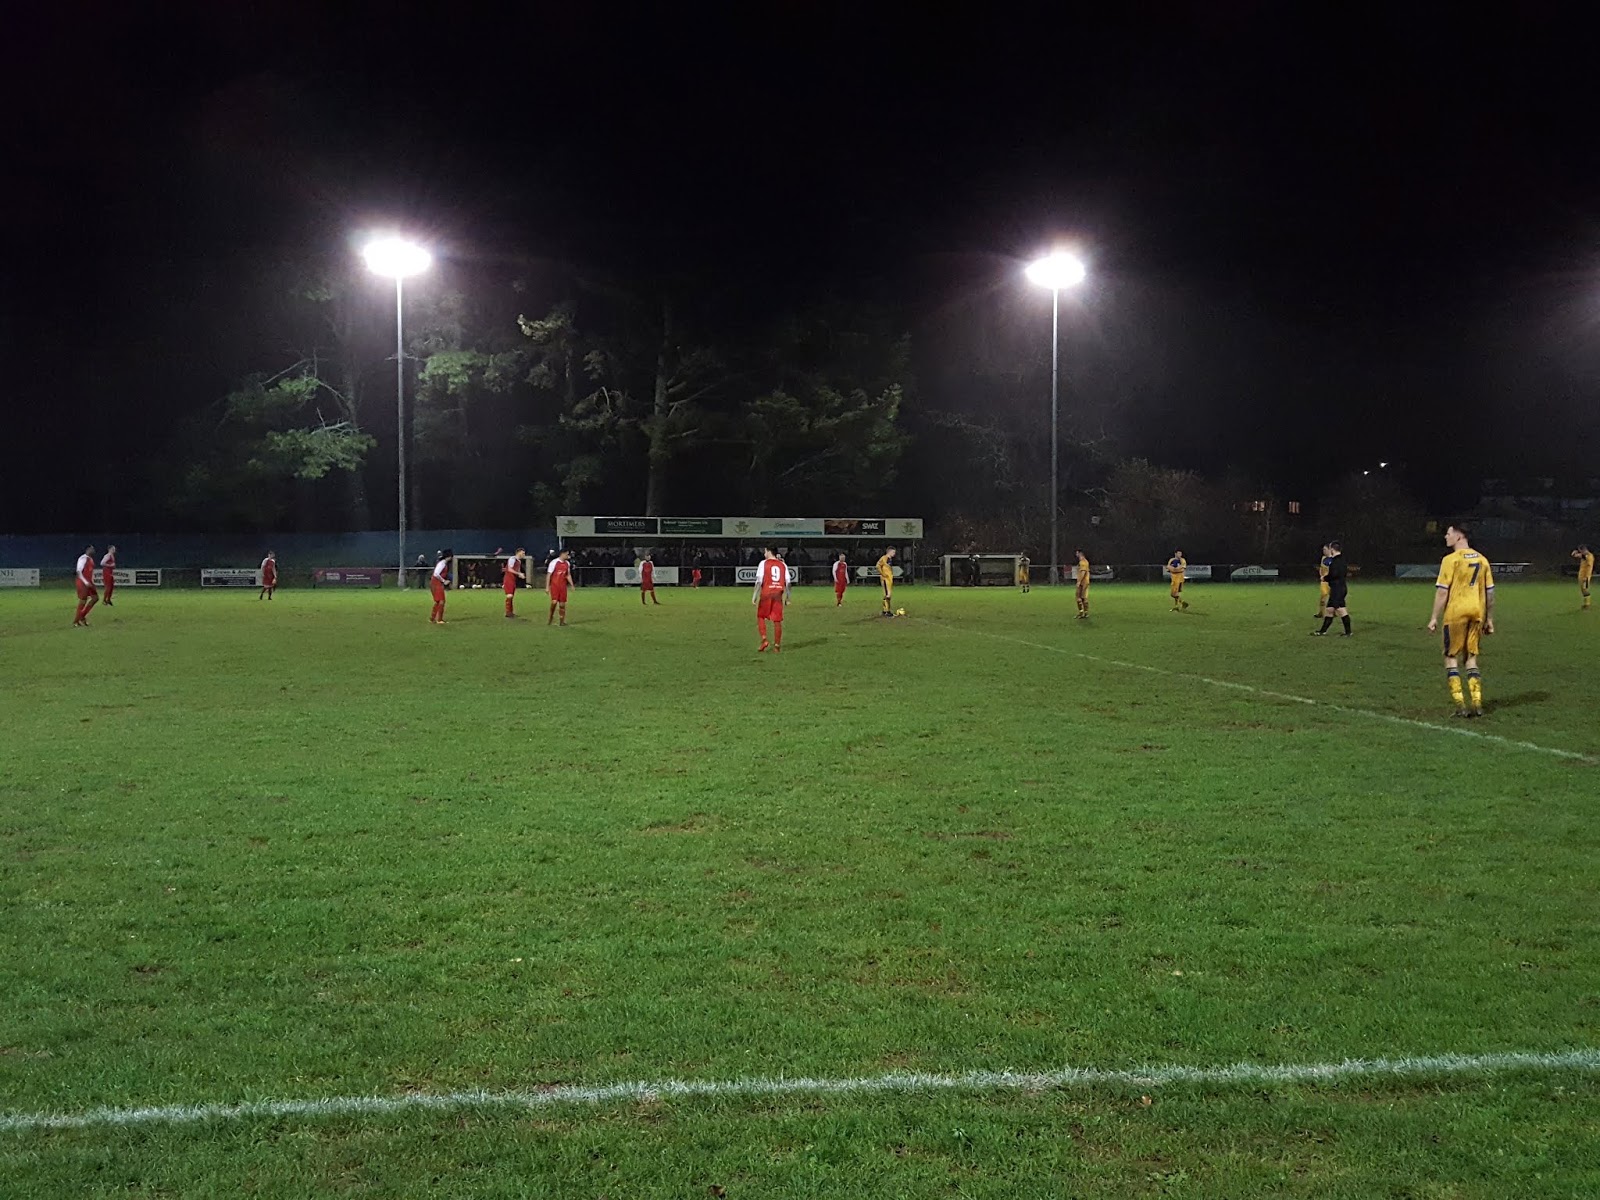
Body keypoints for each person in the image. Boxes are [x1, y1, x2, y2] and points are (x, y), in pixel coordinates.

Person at [1427, 524, 1495, 718]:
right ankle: (1477, 703)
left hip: (1456, 613)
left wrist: (1433, 617)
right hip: (1476, 613)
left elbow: (1442, 591)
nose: (1445, 537)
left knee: (1451, 657)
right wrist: (1489, 618)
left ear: (1459, 536)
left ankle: (1460, 706)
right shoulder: (1482, 560)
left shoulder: (1450, 560)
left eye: (1448, 534)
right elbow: (1490, 593)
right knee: (1471, 658)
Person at [752, 546, 791, 652]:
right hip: (778, 594)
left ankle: (764, 639)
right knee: (777, 620)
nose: (764, 553)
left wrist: (755, 595)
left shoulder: (763, 563)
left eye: (765, 551)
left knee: (760, 616)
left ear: (769, 551)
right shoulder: (783, 565)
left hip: (766, 593)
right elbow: (788, 583)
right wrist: (788, 597)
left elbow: (759, 581)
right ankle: (777, 646)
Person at [1311, 541, 1351, 636]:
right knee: (1329, 610)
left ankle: (1348, 632)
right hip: (1341, 588)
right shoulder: (1343, 560)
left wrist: (1325, 578)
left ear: (1332, 549)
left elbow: (1334, 575)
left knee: (1341, 610)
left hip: (1337, 589)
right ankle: (1322, 631)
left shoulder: (1335, 561)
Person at [73, 545, 99, 627]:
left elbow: (89, 571)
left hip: (89, 582)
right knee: (83, 600)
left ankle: (82, 616)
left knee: (95, 598)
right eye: (92, 549)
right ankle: (76, 621)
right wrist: (85, 582)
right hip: (82, 582)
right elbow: (79, 571)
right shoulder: (83, 558)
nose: (93, 550)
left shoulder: (90, 559)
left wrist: (90, 581)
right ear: (88, 550)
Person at [547, 549, 572, 626]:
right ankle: (551, 616)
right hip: (555, 586)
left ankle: (562, 621)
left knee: (562, 604)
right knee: (554, 602)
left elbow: (567, 574)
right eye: (567, 554)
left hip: (563, 587)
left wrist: (572, 584)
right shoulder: (554, 562)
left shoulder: (567, 563)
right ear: (562, 554)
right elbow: (549, 575)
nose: (568, 556)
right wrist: (547, 587)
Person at [429, 550, 453, 624]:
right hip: (436, 583)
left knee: (438, 601)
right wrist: (444, 581)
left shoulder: (443, 563)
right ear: (449, 557)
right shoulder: (442, 563)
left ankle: (432, 618)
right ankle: (439, 619)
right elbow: (436, 573)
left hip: (435, 582)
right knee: (442, 601)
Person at [502, 548, 526, 617]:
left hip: (513, 579)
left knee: (511, 596)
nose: (524, 555)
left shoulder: (519, 561)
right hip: (508, 579)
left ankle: (510, 612)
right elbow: (509, 569)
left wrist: (520, 574)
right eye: (523, 553)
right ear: (518, 553)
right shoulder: (512, 559)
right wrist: (519, 574)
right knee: (509, 595)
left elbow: (516, 571)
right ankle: (508, 612)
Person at [876, 546, 898, 617]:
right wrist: (882, 574)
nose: (894, 554)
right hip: (885, 579)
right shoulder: (884, 558)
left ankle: (885, 610)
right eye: (893, 552)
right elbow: (878, 566)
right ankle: (887, 612)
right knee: (887, 595)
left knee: (888, 595)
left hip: (889, 580)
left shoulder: (889, 559)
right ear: (889, 552)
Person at [1574, 544, 1594, 610]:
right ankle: (1585, 604)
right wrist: (1575, 553)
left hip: (1586, 576)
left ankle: (1587, 604)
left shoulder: (1589, 557)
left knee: (1585, 589)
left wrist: (1586, 577)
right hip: (1581, 576)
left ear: (1584, 550)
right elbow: (1575, 555)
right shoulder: (1584, 556)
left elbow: (1589, 568)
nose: (1580, 553)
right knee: (1583, 589)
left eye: (1581, 551)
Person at [1316, 546, 1333, 618]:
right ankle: (1321, 613)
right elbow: (1321, 568)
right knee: (1323, 595)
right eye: (1323, 549)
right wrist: (1321, 575)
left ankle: (1334, 612)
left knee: (1333, 597)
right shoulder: (1323, 558)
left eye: (1325, 549)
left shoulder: (1333, 559)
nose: (1323, 551)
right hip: (1324, 581)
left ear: (1329, 550)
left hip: (1331, 581)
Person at [1074, 550, 1091, 619]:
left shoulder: (1083, 562)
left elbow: (1083, 572)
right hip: (1085, 582)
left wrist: (1079, 582)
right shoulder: (1085, 561)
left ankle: (1082, 613)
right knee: (1083, 598)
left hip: (1083, 583)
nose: (1076, 554)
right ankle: (1085, 613)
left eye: (1077, 553)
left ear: (1080, 553)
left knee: (1079, 597)